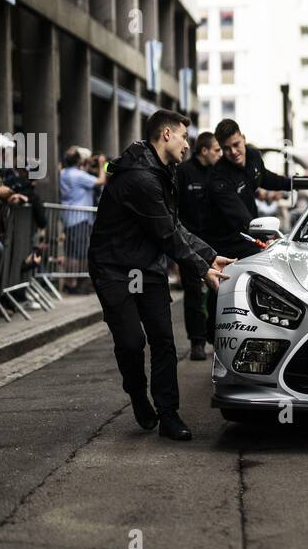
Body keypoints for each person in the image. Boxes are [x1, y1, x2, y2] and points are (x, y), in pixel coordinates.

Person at [87, 109, 233, 442]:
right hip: (113, 267)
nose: (188, 143)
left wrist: (210, 255)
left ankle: (169, 414)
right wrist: (203, 270)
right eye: (183, 135)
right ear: (166, 135)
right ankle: (138, 394)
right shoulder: (140, 177)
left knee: (164, 341)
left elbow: (174, 224)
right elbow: (166, 234)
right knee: (131, 342)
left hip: (147, 266)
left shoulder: (163, 170)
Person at [205, 119, 293, 260]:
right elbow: (240, 217)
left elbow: (265, 177)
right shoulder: (219, 178)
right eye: (226, 148)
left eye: (236, 144)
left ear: (243, 138)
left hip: (251, 238)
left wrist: (294, 182)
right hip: (226, 247)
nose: (233, 152)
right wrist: (266, 238)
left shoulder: (253, 155)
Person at [176, 130, 222, 360]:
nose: (219, 154)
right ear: (204, 150)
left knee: (217, 291)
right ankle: (197, 341)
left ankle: (213, 336)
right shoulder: (183, 172)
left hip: (213, 243)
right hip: (188, 243)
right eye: (216, 150)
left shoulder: (217, 173)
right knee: (193, 293)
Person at [59, 145, 105, 293]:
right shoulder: (78, 175)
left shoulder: (64, 173)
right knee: (78, 253)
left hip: (69, 217)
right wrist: (101, 164)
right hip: (80, 218)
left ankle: (70, 283)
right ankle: (74, 284)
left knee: (71, 251)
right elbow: (100, 181)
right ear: (79, 161)